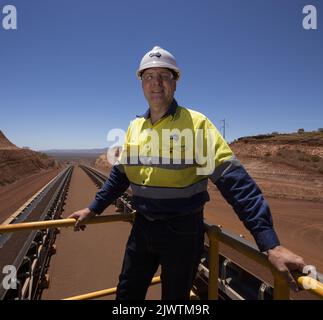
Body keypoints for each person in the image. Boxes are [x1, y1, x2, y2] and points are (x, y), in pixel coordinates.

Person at [68, 46, 306, 300]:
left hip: (182, 232)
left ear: (175, 82)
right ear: (141, 83)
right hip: (142, 228)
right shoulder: (134, 127)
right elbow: (120, 175)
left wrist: (270, 244)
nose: (156, 83)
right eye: (149, 76)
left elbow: (236, 184)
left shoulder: (196, 124)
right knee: (127, 293)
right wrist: (93, 208)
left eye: (164, 76)